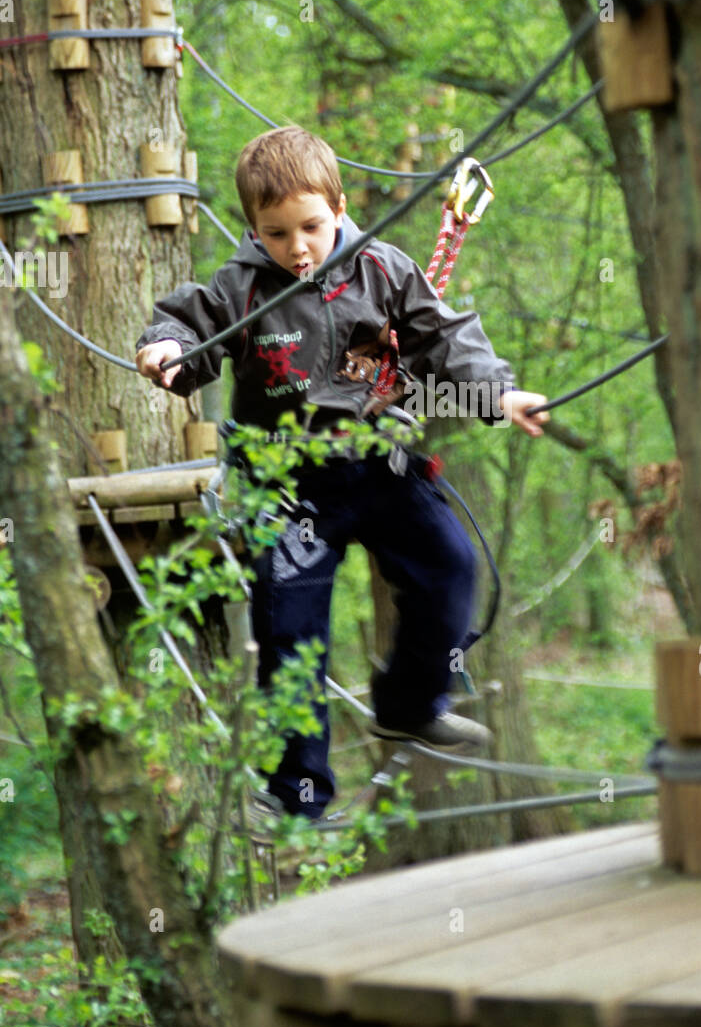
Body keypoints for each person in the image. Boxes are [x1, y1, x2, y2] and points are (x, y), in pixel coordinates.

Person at [136, 126, 548, 819]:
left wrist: (499, 394)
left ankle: (410, 705)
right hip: (291, 487)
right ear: (253, 229)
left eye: (311, 227)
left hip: (379, 466)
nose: (297, 247)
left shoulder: (382, 270)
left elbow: (444, 338)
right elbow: (188, 325)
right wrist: (166, 349)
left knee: (449, 565)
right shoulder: (242, 289)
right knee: (292, 629)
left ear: (339, 207)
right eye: (276, 233)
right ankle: (299, 792)